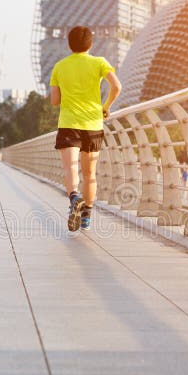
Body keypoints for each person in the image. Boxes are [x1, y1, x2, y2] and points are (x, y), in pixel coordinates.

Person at [49, 26, 122, 231]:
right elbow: (117, 87)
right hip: (92, 124)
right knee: (90, 174)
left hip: (69, 124)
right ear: (91, 44)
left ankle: (74, 198)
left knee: (70, 167)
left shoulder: (59, 67)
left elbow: (55, 100)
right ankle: (87, 216)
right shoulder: (99, 62)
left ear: (69, 44)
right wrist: (105, 107)